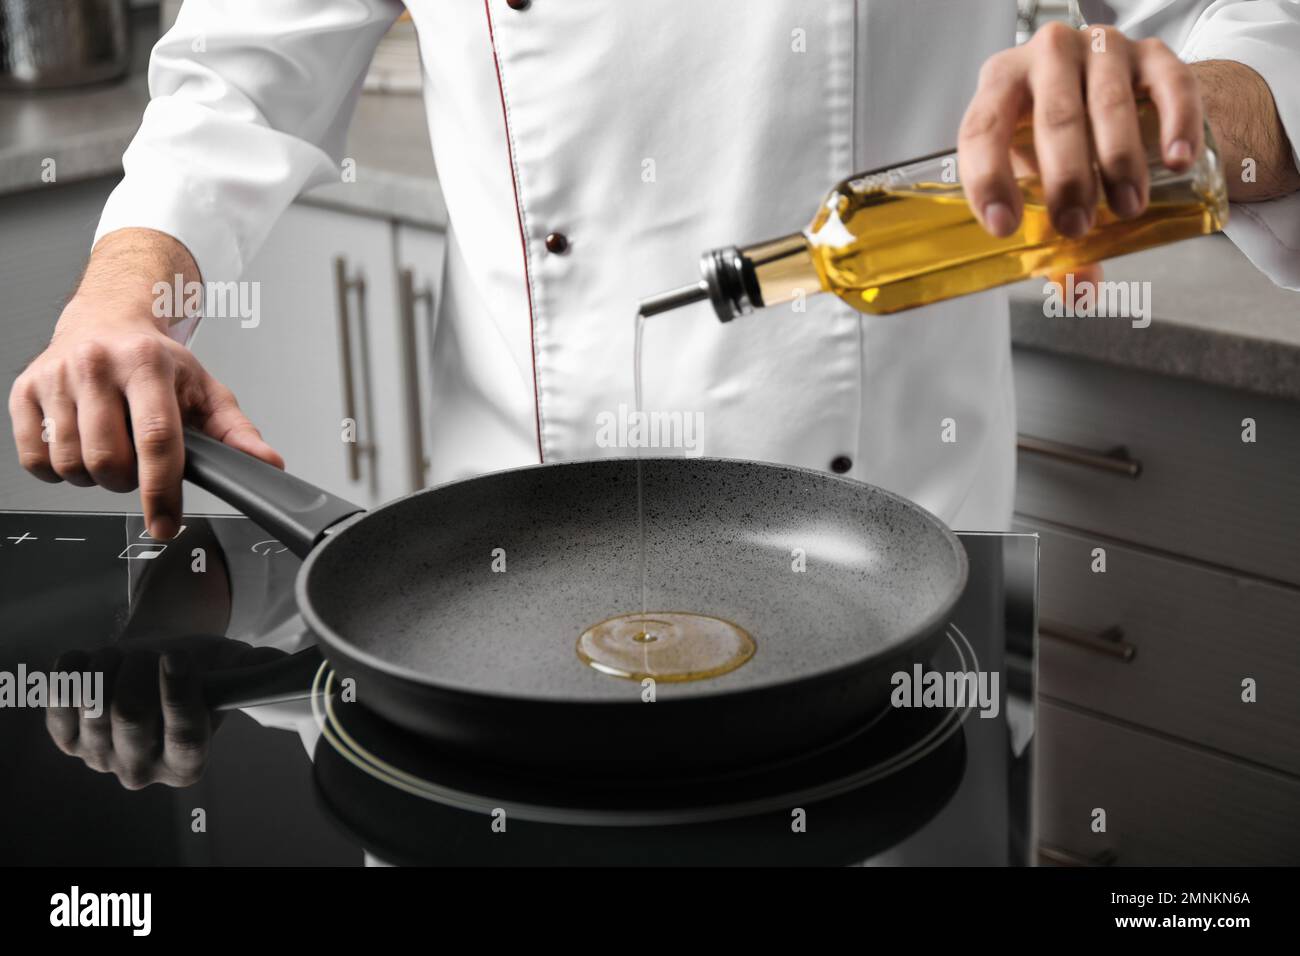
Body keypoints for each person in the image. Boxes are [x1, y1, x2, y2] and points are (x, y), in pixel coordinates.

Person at [9, 0, 1300, 544]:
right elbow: (240, 71)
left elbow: (1246, 36)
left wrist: (1177, 105)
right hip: (504, 535)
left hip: (895, 539)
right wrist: (120, 299)